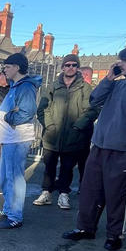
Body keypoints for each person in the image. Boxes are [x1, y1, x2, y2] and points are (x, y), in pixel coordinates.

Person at [63, 45, 126, 251]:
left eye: (125, 60)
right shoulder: (116, 85)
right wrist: (109, 78)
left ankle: (115, 234)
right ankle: (85, 228)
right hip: (99, 147)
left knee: (117, 196)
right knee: (90, 192)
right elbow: (94, 100)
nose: (120, 64)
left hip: (123, 153)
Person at [33, 54, 99, 210]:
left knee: (67, 167)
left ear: (77, 68)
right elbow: (42, 108)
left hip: (73, 137)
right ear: (62, 67)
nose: (71, 67)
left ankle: (64, 193)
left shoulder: (85, 88)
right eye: (67, 65)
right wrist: (49, 126)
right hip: (52, 136)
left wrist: (78, 127)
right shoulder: (53, 87)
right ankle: (46, 192)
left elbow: (92, 110)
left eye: (74, 65)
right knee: (49, 166)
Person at [0, 54, 42, 229]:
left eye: (7, 66)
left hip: (17, 138)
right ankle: (9, 209)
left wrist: (8, 116)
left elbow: (27, 112)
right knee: (7, 177)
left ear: (17, 67)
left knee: (14, 178)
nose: (4, 70)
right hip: (9, 138)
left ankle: (15, 216)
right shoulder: (16, 86)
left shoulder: (26, 87)